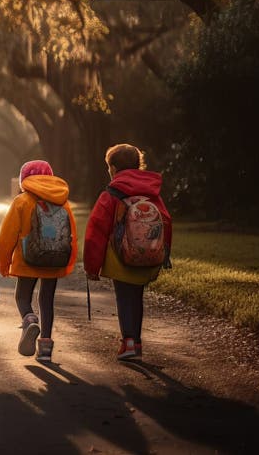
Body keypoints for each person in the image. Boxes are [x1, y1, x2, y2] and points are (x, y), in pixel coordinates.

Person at [84, 143, 173, 361]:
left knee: (123, 298)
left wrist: (91, 266)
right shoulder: (151, 192)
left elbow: (96, 230)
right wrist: (164, 254)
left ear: (113, 169)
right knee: (137, 297)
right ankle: (138, 342)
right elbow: (166, 221)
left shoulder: (112, 193)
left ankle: (129, 343)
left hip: (119, 257)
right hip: (147, 254)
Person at [0, 160, 77, 362]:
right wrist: (69, 261)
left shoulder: (22, 201)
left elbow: (7, 235)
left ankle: (29, 319)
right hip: (56, 259)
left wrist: (4, 262)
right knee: (47, 300)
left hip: (27, 259)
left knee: (22, 297)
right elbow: (71, 234)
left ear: (24, 179)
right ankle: (46, 347)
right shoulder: (62, 201)